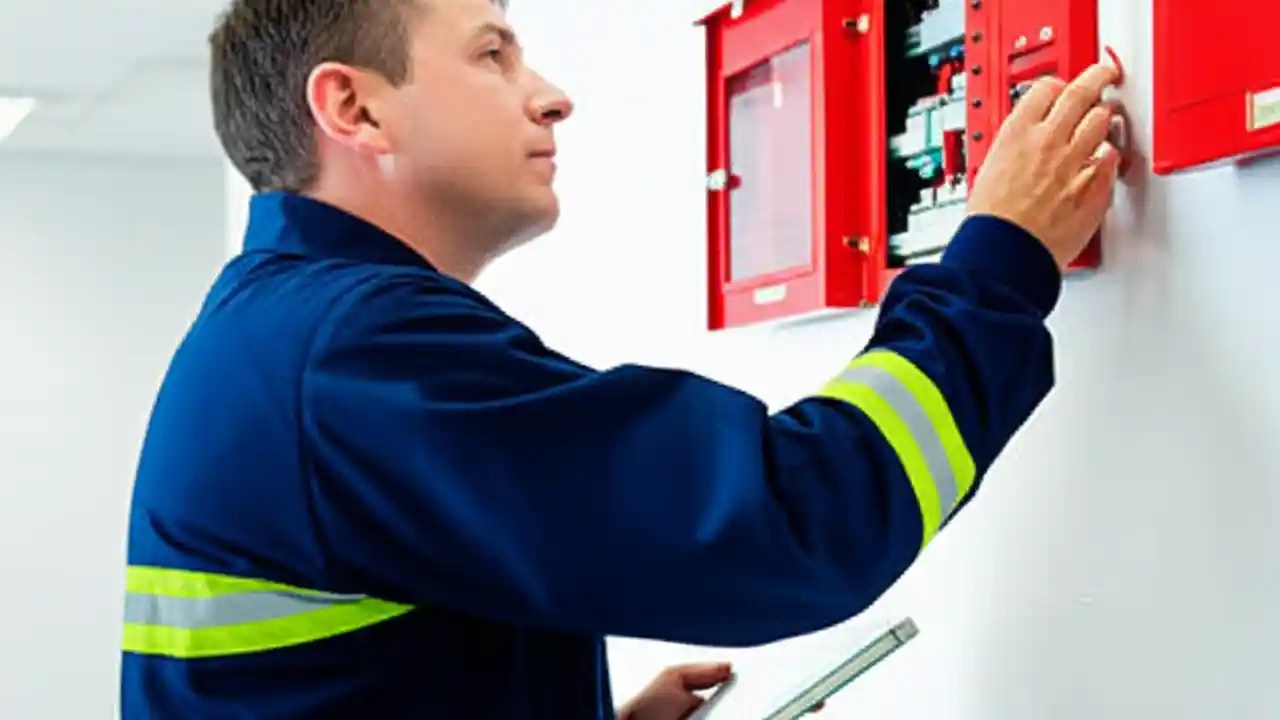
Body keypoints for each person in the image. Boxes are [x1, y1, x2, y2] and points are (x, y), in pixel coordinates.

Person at [118, 0, 1122, 717]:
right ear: (355, 108)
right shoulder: (349, 356)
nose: (550, 96)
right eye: (491, 54)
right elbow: (787, 525)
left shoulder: (280, 335)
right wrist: (997, 256)